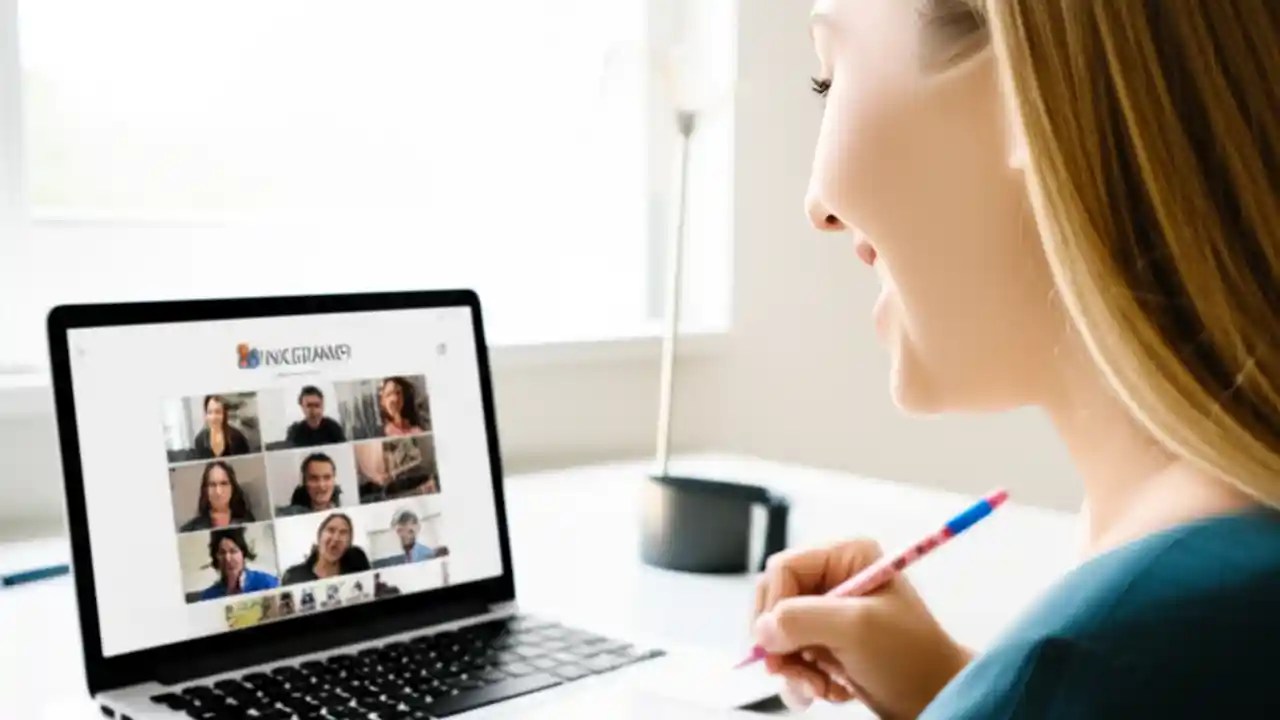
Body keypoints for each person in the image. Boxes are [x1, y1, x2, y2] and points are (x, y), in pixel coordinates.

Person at [751, 2, 1280, 718]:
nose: (820, 207)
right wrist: (953, 687)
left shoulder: (1089, 664)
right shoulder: (1220, 587)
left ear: (1021, 93)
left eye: (830, 78)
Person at [281, 513, 371, 585]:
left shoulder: (357, 565)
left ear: (348, 544)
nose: (336, 538)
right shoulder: (294, 576)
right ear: (319, 537)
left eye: (343, 532)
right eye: (331, 530)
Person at [199, 527, 280, 601]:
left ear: (243, 553)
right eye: (222, 553)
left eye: (233, 551)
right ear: (215, 557)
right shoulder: (208, 596)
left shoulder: (268, 584)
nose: (227, 558)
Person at [179, 460, 256, 532]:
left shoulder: (248, 520)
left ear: (232, 487)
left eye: (224, 483)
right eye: (212, 485)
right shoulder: (189, 530)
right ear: (205, 490)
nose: (218, 492)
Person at [372, 508, 449, 568]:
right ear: (399, 531)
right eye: (410, 532)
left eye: (413, 532)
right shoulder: (390, 554)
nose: (412, 536)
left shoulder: (426, 554)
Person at [275, 453, 343, 517]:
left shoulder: (343, 512)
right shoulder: (285, 515)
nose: (321, 485)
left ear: (334, 480)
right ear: (304, 482)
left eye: (327, 477)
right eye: (314, 478)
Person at [192, 395, 252, 459]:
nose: (213, 417)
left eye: (218, 412)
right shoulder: (200, 440)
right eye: (209, 412)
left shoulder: (237, 438)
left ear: (224, 414)